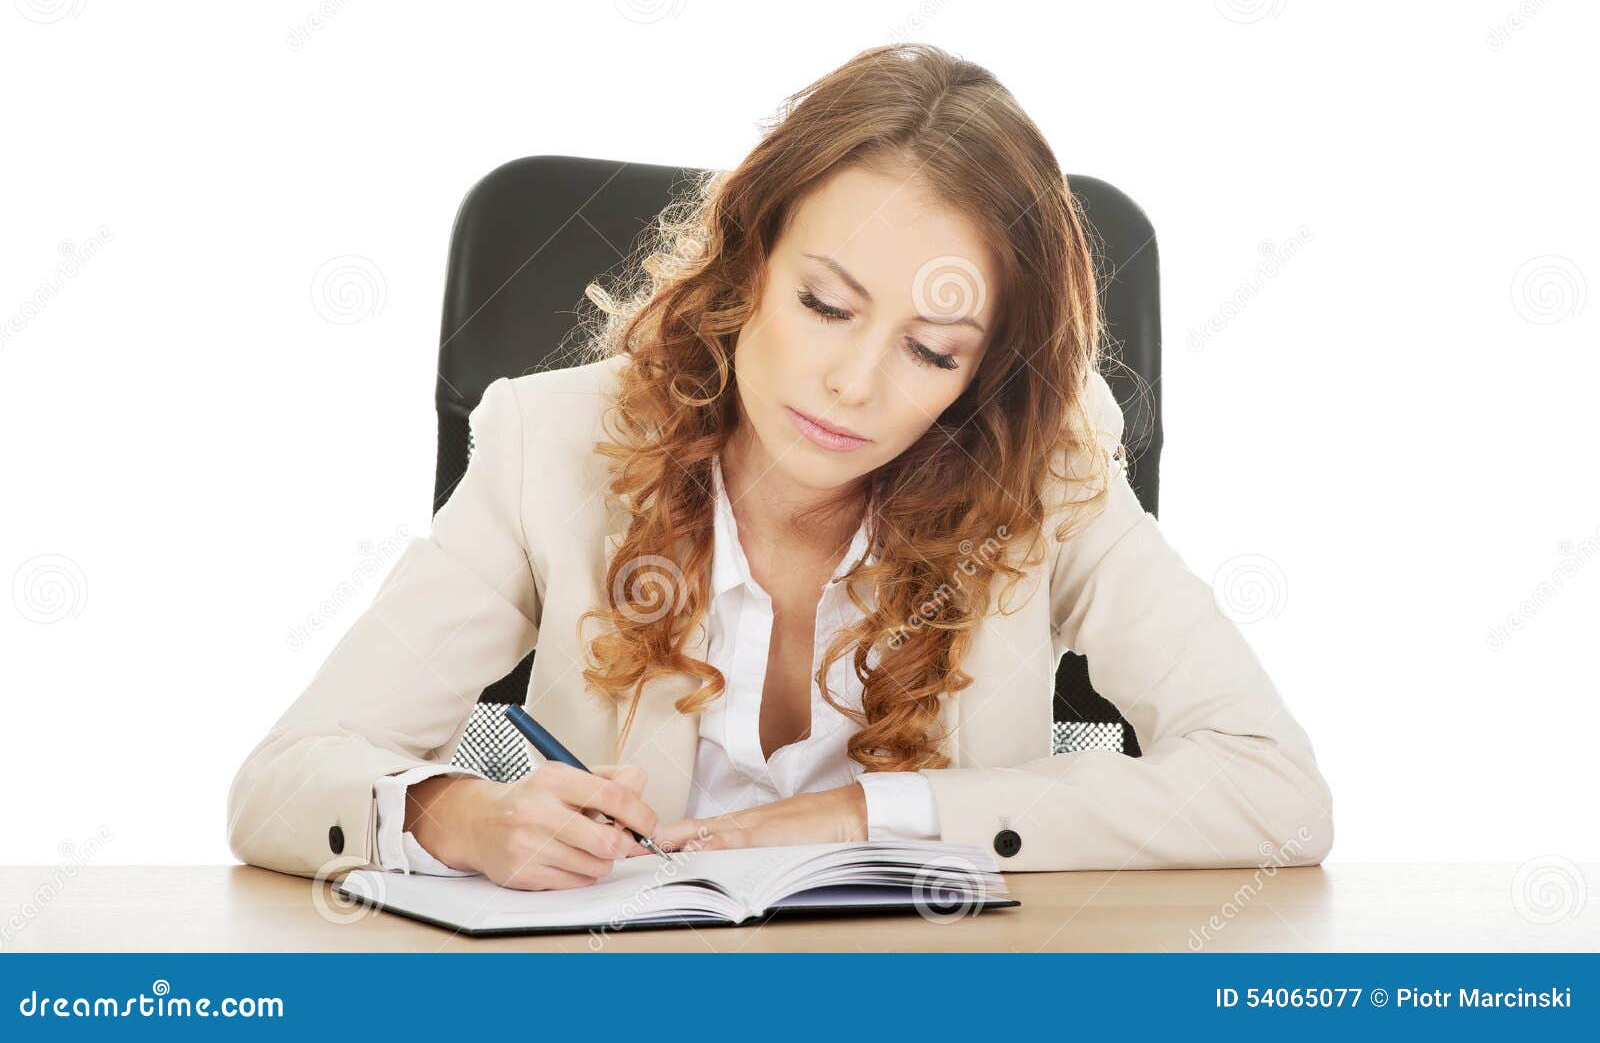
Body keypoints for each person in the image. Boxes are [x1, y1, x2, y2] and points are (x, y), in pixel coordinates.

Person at [226, 43, 1333, 892]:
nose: (853, 382)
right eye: (825, 303)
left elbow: (1275, 794)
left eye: (930, 349)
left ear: (983, 372)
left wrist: (872, 818)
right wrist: (453, 815)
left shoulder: (1046, 465)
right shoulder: (545, 443)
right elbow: (280, 781)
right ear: (749, 262)